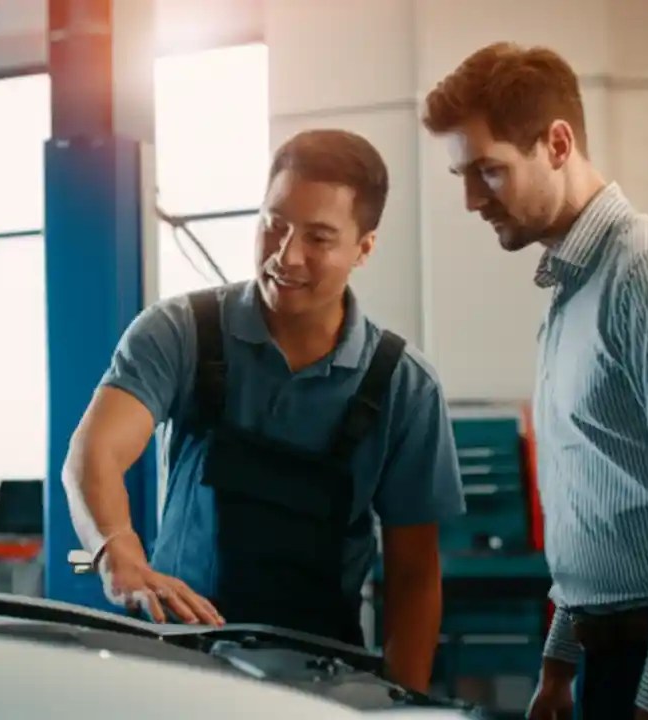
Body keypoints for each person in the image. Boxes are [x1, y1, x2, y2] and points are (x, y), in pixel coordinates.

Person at [420, 42, 648, 720]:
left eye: (487, 172)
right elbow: (600, 508)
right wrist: (562, 664)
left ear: (557, 143)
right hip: (614, 664)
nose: (470, 200)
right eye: (461, 176)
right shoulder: (572, 292)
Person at [61, 128, 466, 691]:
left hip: (322, 683)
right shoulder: (182, 333)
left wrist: (406, 701)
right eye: (274, 224)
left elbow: (416, 575)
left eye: (319, 238)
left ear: (364, 247)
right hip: (175, 668)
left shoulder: (403, 386)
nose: (285, 255)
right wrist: (116, 554)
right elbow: (93, 454)